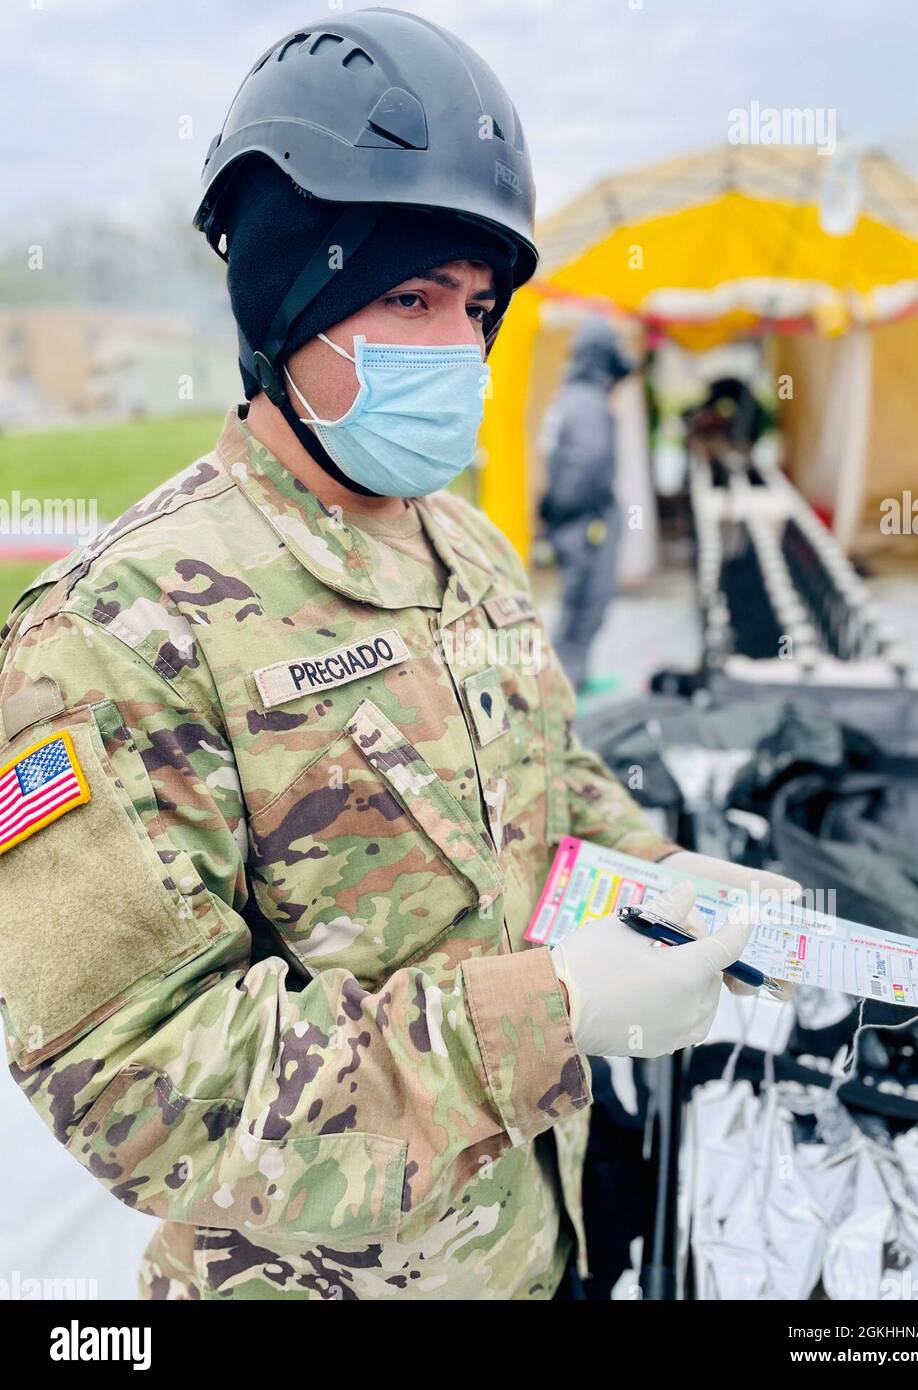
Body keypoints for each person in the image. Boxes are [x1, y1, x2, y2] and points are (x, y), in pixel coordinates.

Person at [0, 10, 796, 1301]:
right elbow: (130, 1082)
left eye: (475, 307)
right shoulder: (114, 629)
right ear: (282, 298)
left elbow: (541, 778)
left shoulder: (465, 546)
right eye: (406, 298)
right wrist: (543, 1012)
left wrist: (653, 868)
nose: (458, 351)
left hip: (528, 1239)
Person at [538, 315, 635, 692]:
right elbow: (586, 463)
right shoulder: (590, 403)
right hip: (586, 521)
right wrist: (588, 515)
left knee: (573, 601)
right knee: (585, 604)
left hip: (568, 520)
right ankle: (565, 686)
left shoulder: (569, 397)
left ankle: (570, 677)